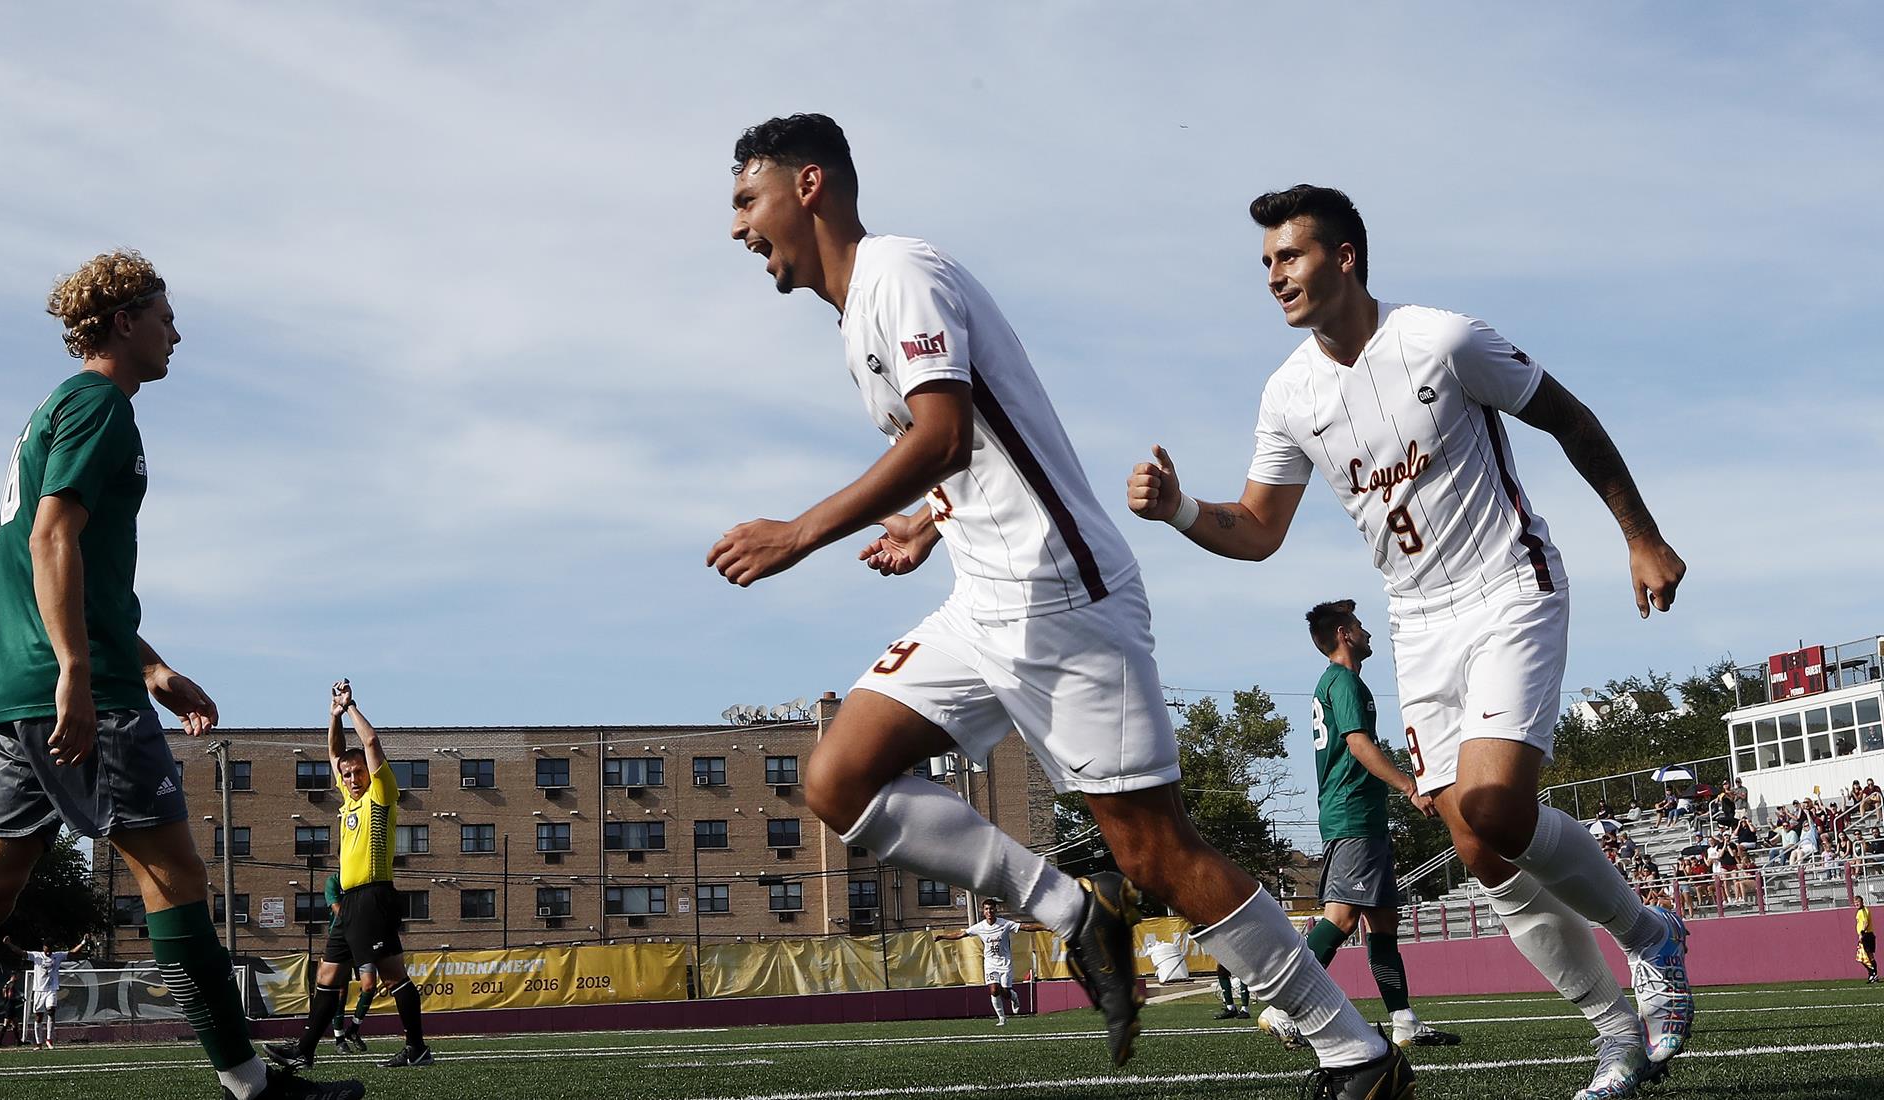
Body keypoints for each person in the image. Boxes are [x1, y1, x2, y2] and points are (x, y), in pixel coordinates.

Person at [715, 115, 1407, 1096]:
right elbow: (967, 443)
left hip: (1059, 596)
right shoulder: (859, 314)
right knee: (839, 777)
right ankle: (1075, 912)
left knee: (1158, 850)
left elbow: (946, 431)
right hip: (981, 603)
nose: (739, 228)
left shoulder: (897, 273)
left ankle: (1357, 1052)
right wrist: (927, 521)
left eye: (748, 200)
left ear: (809, 186)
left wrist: (798, 530)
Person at [1126, 185, 1692, 1100]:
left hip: (1508, 584)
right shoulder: (1289, 395)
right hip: (1418, 623)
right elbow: (1260, 527)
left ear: (1345, 257)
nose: (1274, 276)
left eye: (1291, 257)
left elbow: (1571, 419)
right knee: (1476, 846)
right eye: (1266, 263)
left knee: (1500, 808)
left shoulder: (1442, 339)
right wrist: (1182, 510)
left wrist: (1641, 535)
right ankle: (1615, 1035)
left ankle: (1649, 935)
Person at [0, 251, 359, 1100]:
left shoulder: (55, 410)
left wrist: (152, 666)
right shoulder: (101, 403)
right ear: (122, 321)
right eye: (166, 314)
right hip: (80, 694)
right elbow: (51, 540)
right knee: (176, 879)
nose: (177, 330)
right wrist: (84, 674)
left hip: (20, 692)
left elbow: (80, 572)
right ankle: (252, 1083)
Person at [1257, 601, 1460, 1052]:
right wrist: (1410, 786)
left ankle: (1404, 1021)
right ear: (1345, 633)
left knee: (1384, 923)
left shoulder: (1339, 682)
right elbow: (1358, 744)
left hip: (1363, 814)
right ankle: (1282, 1007)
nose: (1368, 632)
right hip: (1352, 813)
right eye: (1361, 626)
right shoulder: (1343, 680)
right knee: (1343, 917)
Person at [266, 680, 432, 1070]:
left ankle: (417, 1047)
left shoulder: (380, 793)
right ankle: (305, 1051)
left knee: (392, 977)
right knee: (327, 974)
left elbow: (370, 742)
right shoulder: (348, 799)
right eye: (347, 774)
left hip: (373, 896)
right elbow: (335, 752)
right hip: (349, 903)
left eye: (357, 772)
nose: (352, 778)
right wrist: (333, 716)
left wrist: (351, 706)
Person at [934, 900, 1041, 1026]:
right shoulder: (980, 927)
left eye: (991, 909)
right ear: (983, 911)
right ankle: (1002, 1018)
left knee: (1005, 993)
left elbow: (1026, 927)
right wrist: (942, 937)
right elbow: (961, 934)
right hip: (990, 963)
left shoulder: (1005, 924)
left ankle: (1013, 997)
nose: (989, 911)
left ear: (995, 910)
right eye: (986, 909)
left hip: (1005, 962)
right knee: (994, 990)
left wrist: (1045, 928)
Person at [320, 873, 380, 1054]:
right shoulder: (333, 881)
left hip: (364, 939)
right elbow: (339, 910)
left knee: (369, 986)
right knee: (341, 990)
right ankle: (339, 1038)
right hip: (342, 940)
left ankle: (353, 1029)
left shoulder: (364, 880)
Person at [3, 934, 88, 1048]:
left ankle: (49, 1039)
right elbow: (21, 952)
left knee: (51, 1010)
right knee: (39, 1017)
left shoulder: (57, 956)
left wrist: (83, 942)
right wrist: (9, 944)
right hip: (39, 990)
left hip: (51, 989)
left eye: (50, 951)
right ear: (43, 948)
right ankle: (39, 1043)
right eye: (46, 950)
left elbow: (72, 953)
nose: (48, 953)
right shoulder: (36, 956)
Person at [0, 969, 23, 1049]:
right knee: (6, 1024)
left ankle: (18, 1041)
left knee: (15, 1023)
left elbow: (4, 994)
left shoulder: (7, 984)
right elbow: (10, 996)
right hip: (10, 1006)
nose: (18, 977)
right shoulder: (11, 984)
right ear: (13, 976)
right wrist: (18, 999)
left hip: (9, 1005)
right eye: (17, 975)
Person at [1859, 889, 1878, 984]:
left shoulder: (1863, 911)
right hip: (1867, 935)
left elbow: (1866, 922)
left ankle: (1872, 974)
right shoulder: (1862, 911)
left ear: (1862, 902)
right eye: (1855, 902)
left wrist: (1862, 932)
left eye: (1858, 902)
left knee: (1863, 957)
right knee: (1867, 956)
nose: (1857, 904)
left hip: (1866, 935)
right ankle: (1873, 974)